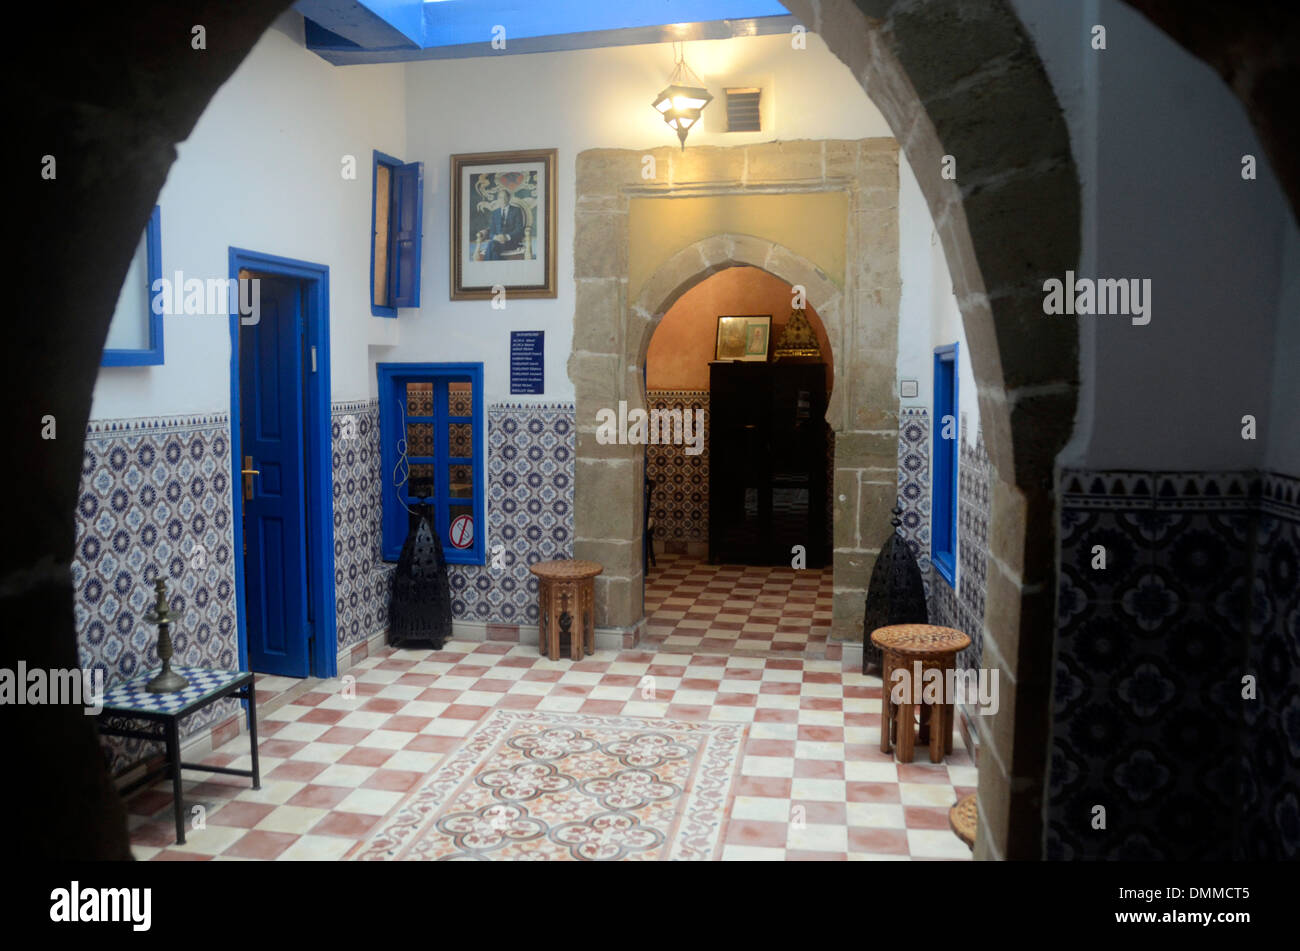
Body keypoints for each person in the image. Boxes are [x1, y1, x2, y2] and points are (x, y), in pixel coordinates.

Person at [478, 188, 525, 260]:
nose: (502, 199)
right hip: (497, 241)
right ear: (498, 199)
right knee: (493, 247)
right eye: (500, 197)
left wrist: (506, 237)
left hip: (511, 241)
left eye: (505, 197)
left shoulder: (516, 210)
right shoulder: (495, 213)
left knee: (491, 246)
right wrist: (496, 237)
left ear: (509, 198)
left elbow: (519, 230)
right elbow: (492, 231)